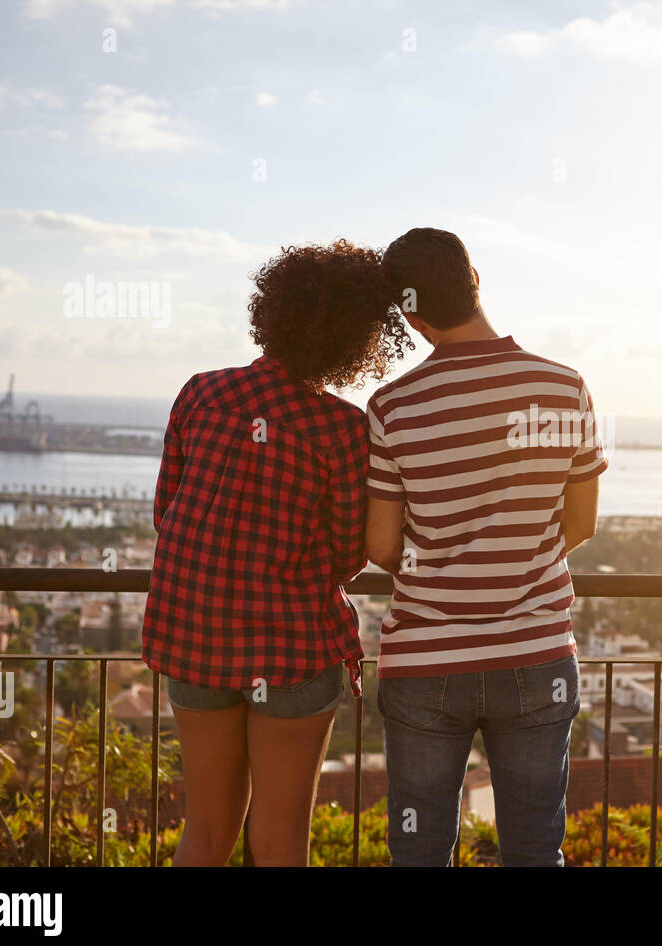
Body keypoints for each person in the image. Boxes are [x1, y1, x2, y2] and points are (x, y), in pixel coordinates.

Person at [142, 239, 412, 866]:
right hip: (291, 649)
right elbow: (349, 552)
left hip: (192, 640)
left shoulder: (200, 394)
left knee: (205, 831)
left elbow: (168, 514)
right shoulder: (342, 429)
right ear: (357, 339)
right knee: (281, 837)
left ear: (275, 310)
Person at [365, 227, 605, 866]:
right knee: (533, 849)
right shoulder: (563, 388)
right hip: (535, 655)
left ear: (409, 313)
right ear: (476, 282)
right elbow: (580, 525)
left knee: (418, 852)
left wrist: (439, 566)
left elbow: (381, 543)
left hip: (425, 661)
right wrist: (515, 560)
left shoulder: (393, 406)